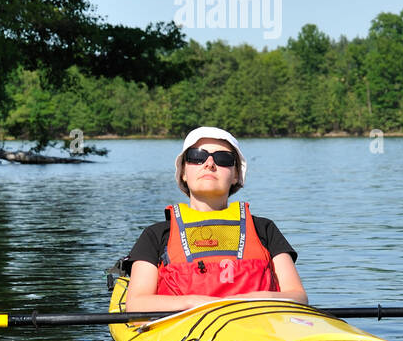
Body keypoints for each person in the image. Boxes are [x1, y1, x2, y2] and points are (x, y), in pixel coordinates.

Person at [124, 126, 308, 312]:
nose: (209, 163)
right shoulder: (156, 234)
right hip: (183, 331)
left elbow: (297, 296)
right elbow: (137, 303)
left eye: (223, 159)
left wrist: (249, 300)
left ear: (236, 175)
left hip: (257, 325)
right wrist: (201, 304)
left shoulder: (264, 229)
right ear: (183, 173)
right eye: (196, 157)